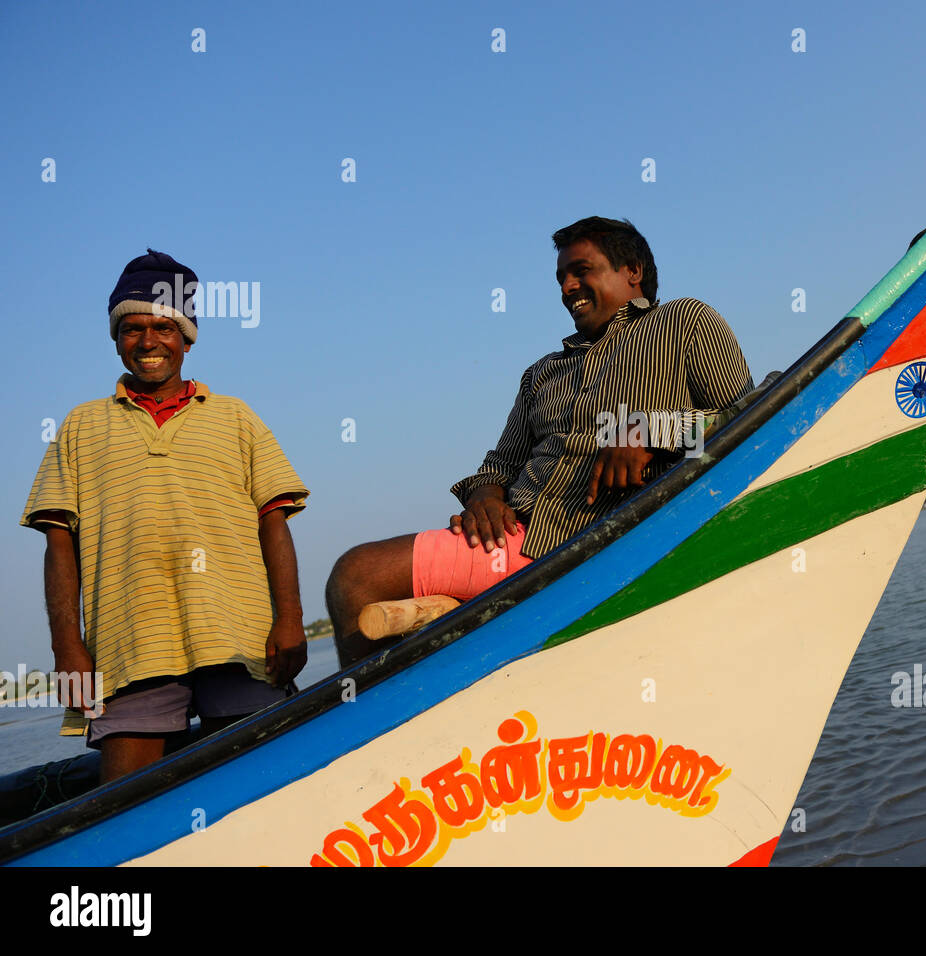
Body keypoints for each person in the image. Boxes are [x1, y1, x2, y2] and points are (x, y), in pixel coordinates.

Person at [327, 217, 753, 666]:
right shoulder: (541, 373)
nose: (568, 287)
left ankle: (361, 724)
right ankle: (384, 723)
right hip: (517, 541)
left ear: (632, 271)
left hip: (605, 544)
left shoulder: (684, 321)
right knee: (357, 578)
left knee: (358, 573)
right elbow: (497, 467)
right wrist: (486, 497)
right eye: (561, 279)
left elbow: (747, 419)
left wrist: (649, 432)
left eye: (581, 271)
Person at [20, 249, 310, 784]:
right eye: (132, 329)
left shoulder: (236, 417)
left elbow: (275, 521)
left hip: (239, 641)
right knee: (125, 805)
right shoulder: (81, 427)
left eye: (164, 327)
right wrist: (68, 647)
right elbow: (58, 542)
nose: (149, 342)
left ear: (187, 337)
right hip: (129, 646)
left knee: (267, 784)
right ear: (115, 338)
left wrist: (290, 619)